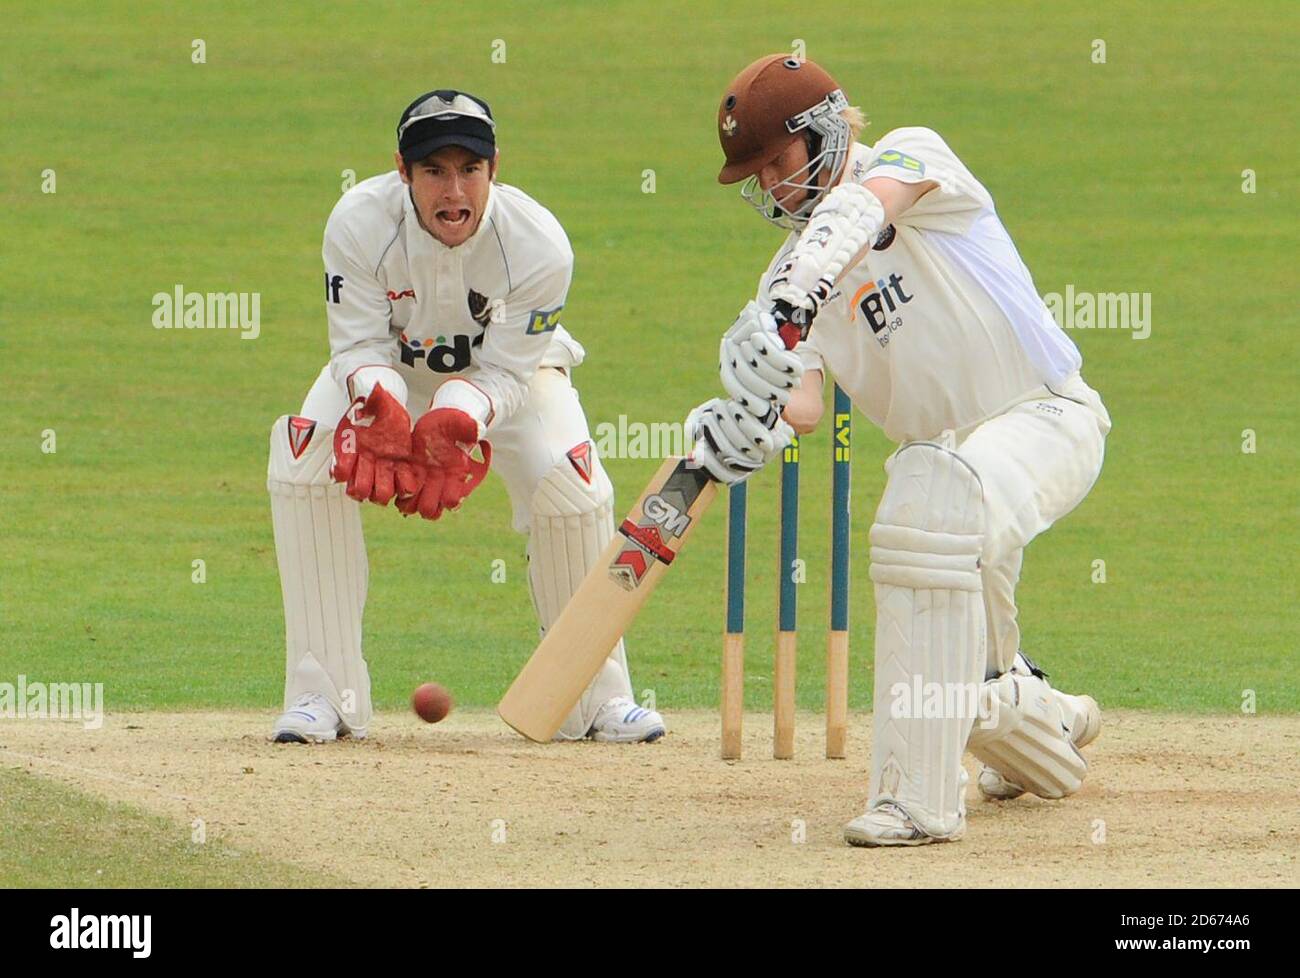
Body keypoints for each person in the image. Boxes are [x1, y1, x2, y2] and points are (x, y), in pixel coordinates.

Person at [686, 55, 1109, 846]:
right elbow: (805, 405)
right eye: (758, 176)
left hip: (1045, 415)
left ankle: (916, 797)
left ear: (824, 132)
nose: (773, 188)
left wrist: (792, 296)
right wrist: (752, 415)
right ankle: (1046, 725)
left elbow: (867, 210)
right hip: (945, 478)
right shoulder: (784, 282)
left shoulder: (913, 156)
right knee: (972, 655)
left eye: (779, 163)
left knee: (927, 511)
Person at [267, 89, 664, 745]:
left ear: (494, 168)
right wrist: (379, 399)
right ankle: (323, 698)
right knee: (304, 456)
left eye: (469, 169)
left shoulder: (539, 246)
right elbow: (357, 344)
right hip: (387, 378)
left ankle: (591, 699)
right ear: (402, 171)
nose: (454, 191)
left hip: (505, 384)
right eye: (433, 171)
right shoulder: (358, 222)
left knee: (571, 482)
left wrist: (459, 414)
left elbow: (509, 371)